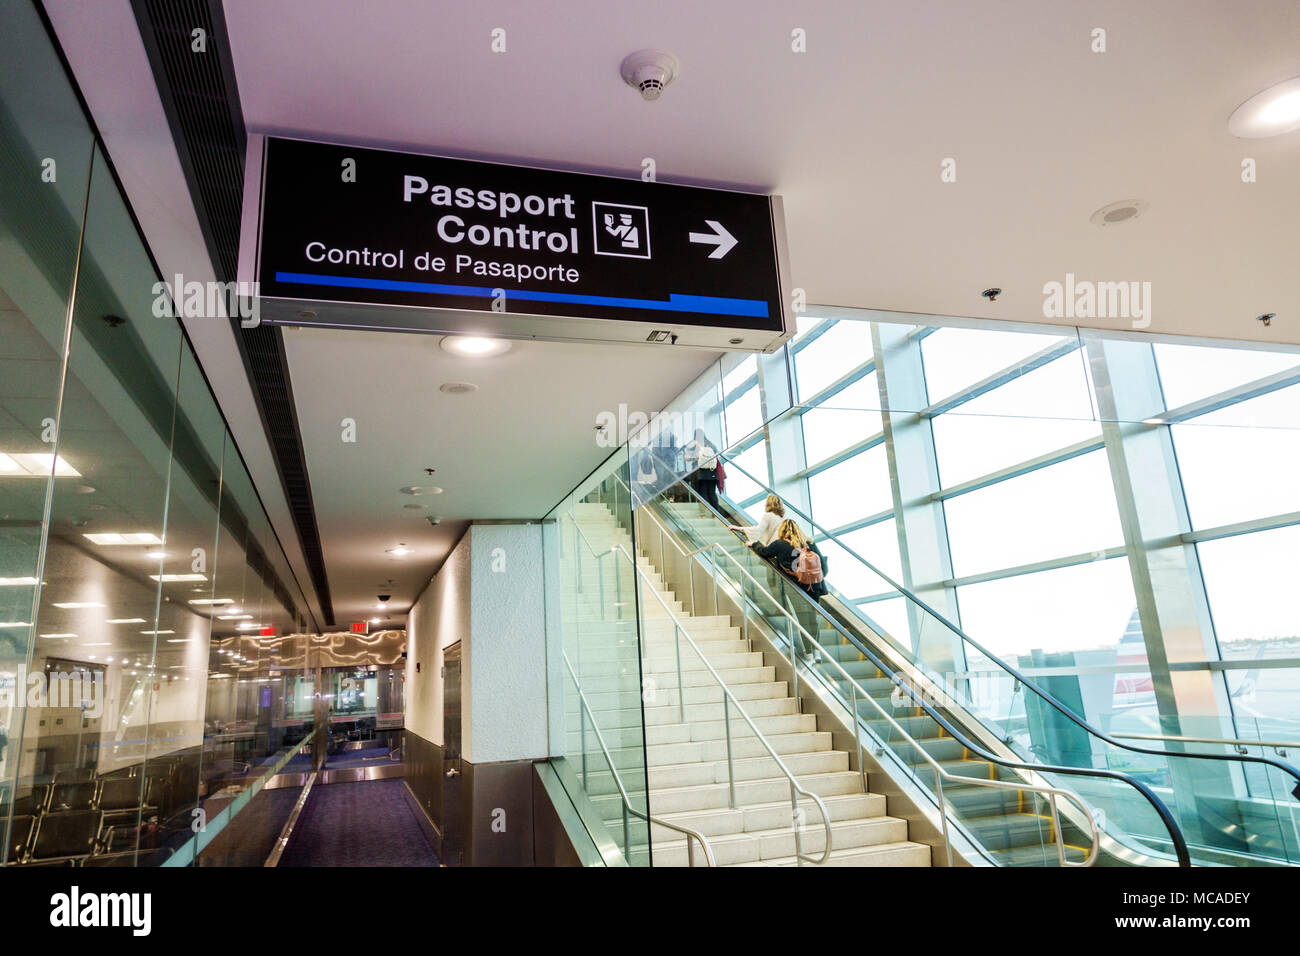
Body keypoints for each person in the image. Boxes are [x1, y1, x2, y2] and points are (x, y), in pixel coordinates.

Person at [751, 519, 827, 661]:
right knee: (813, 620)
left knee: (803, 620)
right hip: (815, 587)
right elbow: (824, 567)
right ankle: (817, 652)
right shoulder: (810, 543)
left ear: (783, 530)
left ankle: (809, 653)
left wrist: (754, 544)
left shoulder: (780, 544)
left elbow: (764, 552)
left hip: (796, 588)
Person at [684, 428, 720, 511]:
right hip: (712, 472)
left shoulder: (697, 445)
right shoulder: (711, 444)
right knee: (712, 493)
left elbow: (696, 457)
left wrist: (690, 458)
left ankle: (703, 514)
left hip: (701, 473)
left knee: (702, 492)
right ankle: (716, 515)